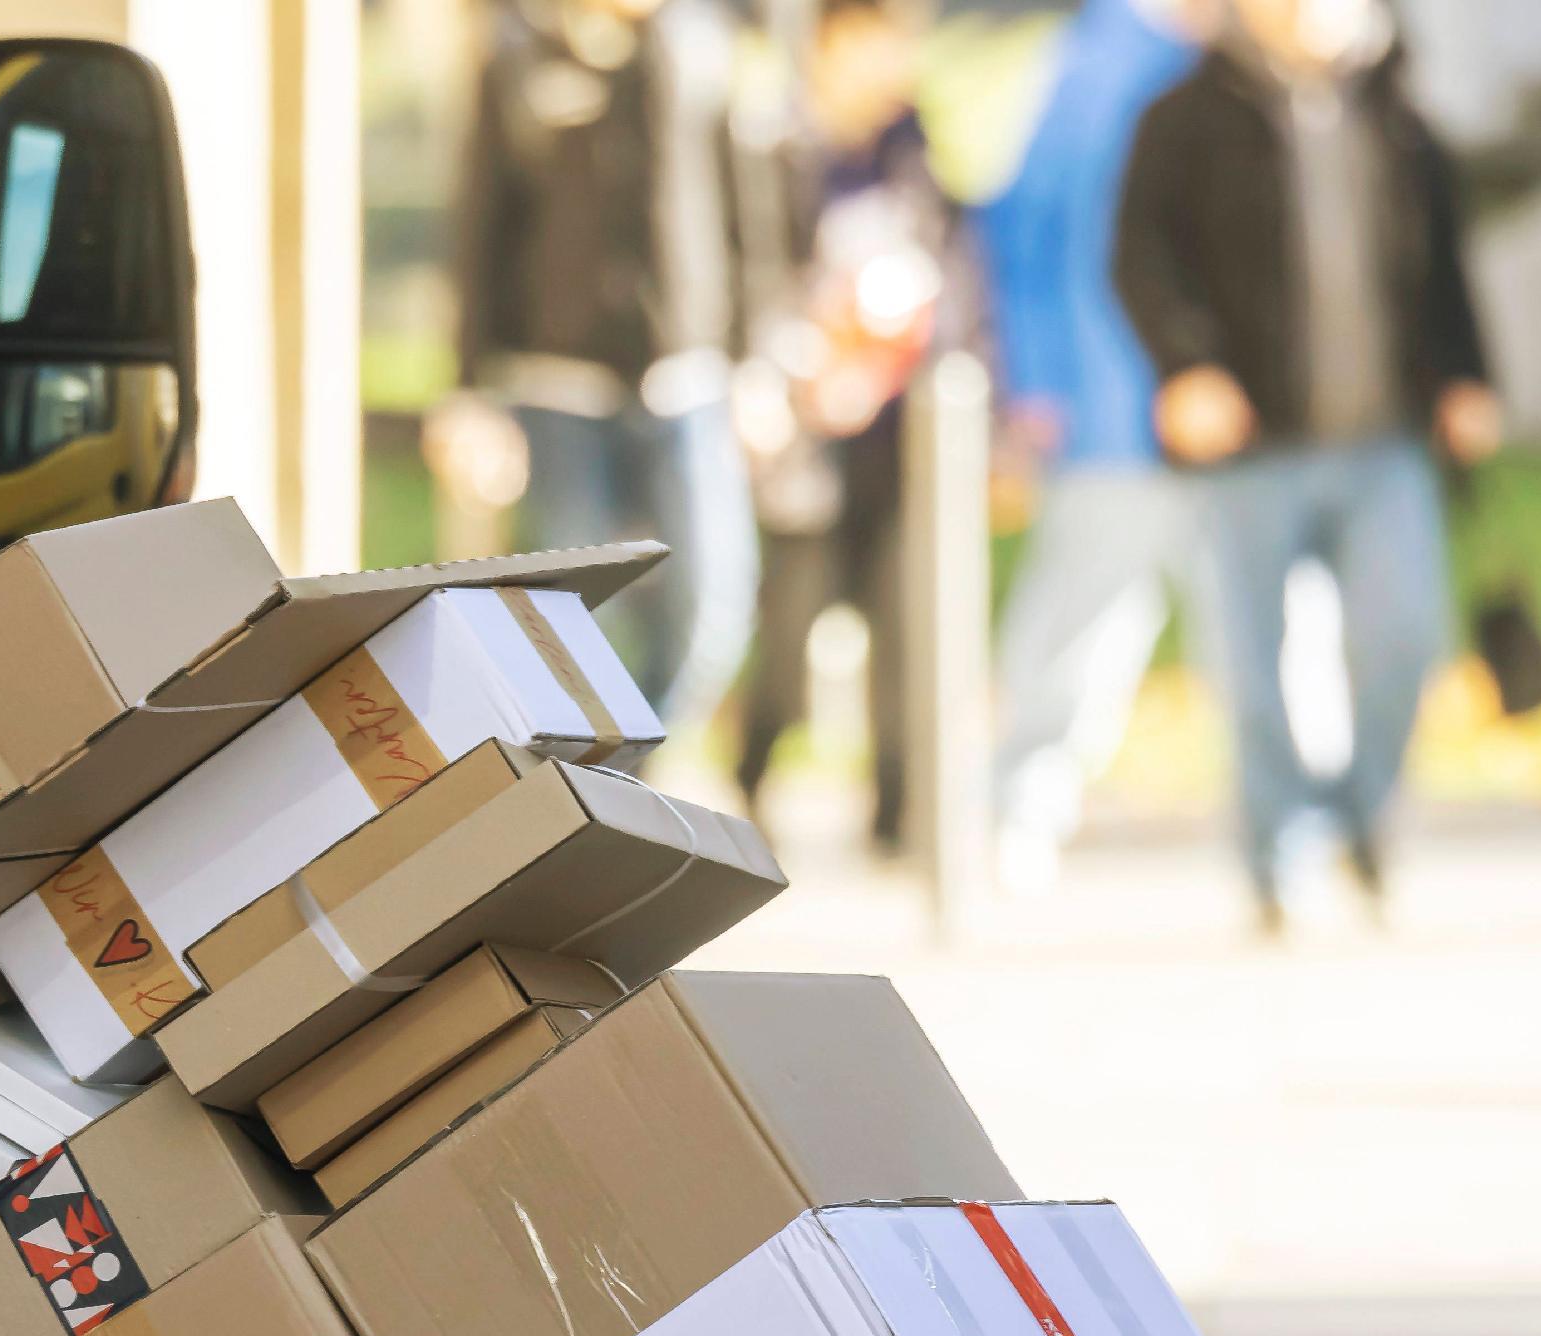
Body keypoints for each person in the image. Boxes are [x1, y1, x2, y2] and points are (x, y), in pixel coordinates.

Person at [1114, 0, 1498, 931]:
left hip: (1385, 441)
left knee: (1404, 635)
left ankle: (1367, 820)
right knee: (1254, 662)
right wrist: (1188, 367)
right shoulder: (1185, 116)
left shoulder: (1396, 111)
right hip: (1253, 445)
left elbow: (1444, 263)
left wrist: (1467, 377)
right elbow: (1140, 256)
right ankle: (1278, 852)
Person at [439, 0, 789, 732]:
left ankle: (627, 765)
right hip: (559, 389)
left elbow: (747, 213)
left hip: (688, 382)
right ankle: (589, 784)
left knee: (713, 606)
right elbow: (480, 226)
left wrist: (757, 364)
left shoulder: (704, 47)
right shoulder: (519, 53)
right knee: (571, 620)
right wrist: (468, 390)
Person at [981, 0, 1219, 894]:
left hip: (1250, 420)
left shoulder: (1257, 60)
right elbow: (1025, 230)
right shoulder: (1098, 62)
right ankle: (1019, 808)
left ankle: (1301, 831)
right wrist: (1038, 380)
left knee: (1277, 628)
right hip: (1113, 402)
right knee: (1082, 626)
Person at [732, 0, 971, 852]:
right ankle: (754, 772)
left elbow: (953, 271)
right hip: (804, 424)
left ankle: (900, 811)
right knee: (791, 616)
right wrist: (808, 370)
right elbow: (754, 275)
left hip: (901, 426)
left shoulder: (913, 150)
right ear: (831, 44)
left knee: (906, 620)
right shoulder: (774, 147)